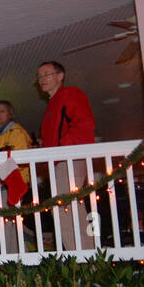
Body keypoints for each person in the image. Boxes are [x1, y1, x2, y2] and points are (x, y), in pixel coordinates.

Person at [36, 61, 96, 249]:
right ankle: (78, 255)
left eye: (46, 74)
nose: (42, 79)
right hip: (58, 162)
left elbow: (84, 124)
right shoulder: (51, 106)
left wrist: (61, 147)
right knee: (62, 211)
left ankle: (87, 257)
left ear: (60, 76)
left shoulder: (70, 94)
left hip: (69, 159)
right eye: (39, 77)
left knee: (67, 208)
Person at [0, 100, 33, 252]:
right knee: (9, 223)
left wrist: (1, 171)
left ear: (10, 114)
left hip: (11, 185)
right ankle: (18, 259)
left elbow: (20, 159)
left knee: (3, 223)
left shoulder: (17, 133)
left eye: (2, 111)